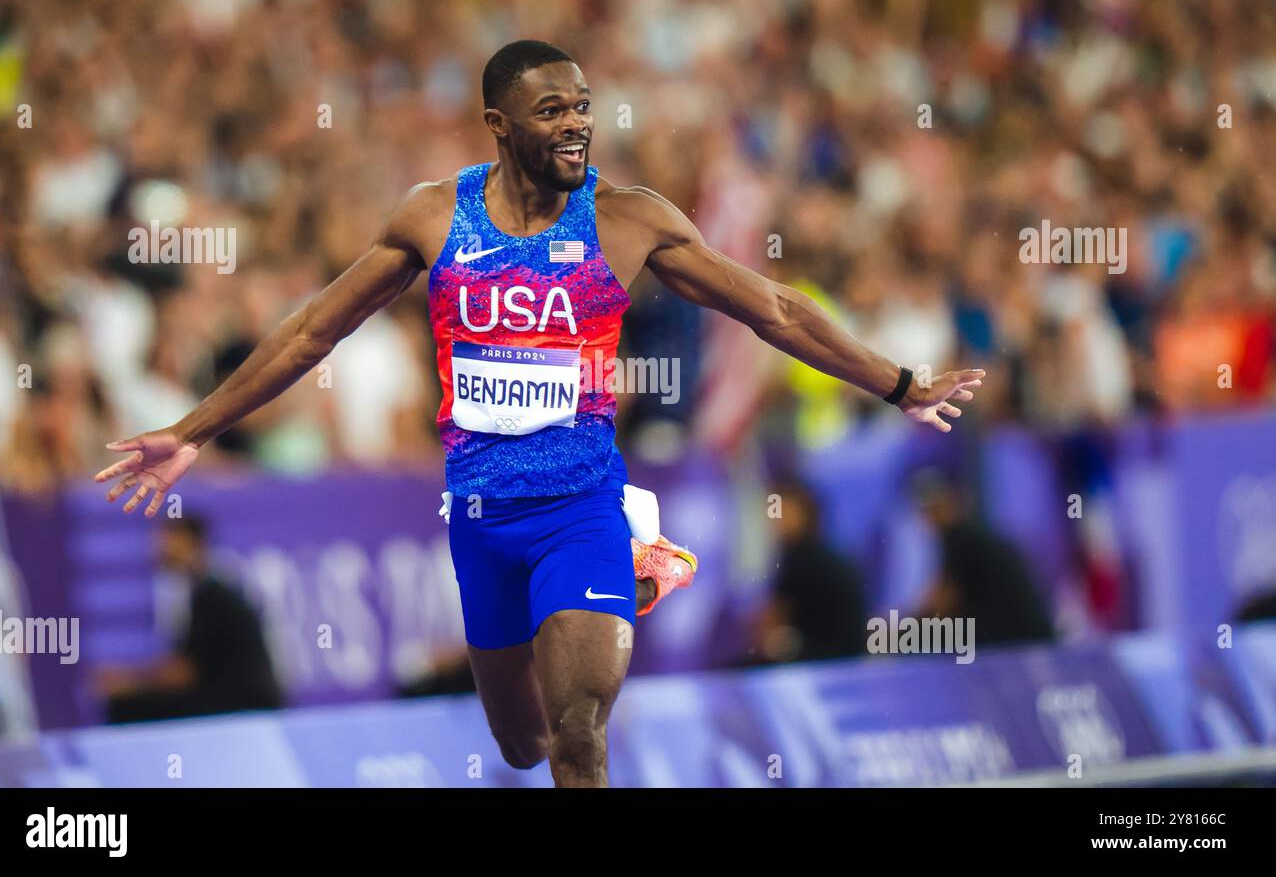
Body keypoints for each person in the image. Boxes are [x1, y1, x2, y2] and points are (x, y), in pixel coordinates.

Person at [94, 41, 985, 787]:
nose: (575, 124)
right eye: (552, 110)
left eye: (583, 107)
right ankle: (646, 570)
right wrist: (191, 431)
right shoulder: (435, 217)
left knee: (580, 736)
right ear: (500, 125)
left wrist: (899, 383)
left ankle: (621, 553)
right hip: (480, 517)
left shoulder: (628, 221)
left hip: (579, 506)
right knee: (521, 747)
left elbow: (774, 308)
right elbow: (308, 335)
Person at [96, 516, 283, 723]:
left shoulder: (212, 598)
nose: (159, 547)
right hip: (230, 698)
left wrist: (128, 683)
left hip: (244, 705)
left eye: (169, 538)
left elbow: (184, 675)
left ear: (193, 544)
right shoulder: (201, 593)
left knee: (125, 707)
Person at [911, 469, 1055, 649]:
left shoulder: (958, 538)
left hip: (1016, 644)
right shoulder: (973, 536)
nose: (929, 515)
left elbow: (942, 604)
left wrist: (897, 634)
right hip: (1028, 642)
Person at [754, 478, 869, 663]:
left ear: (804, 513)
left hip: (827, 661)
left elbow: (772, 628)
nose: (774, 520)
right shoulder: (814, 555)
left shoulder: (802, 559)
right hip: (842, 658)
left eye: (782, 511)